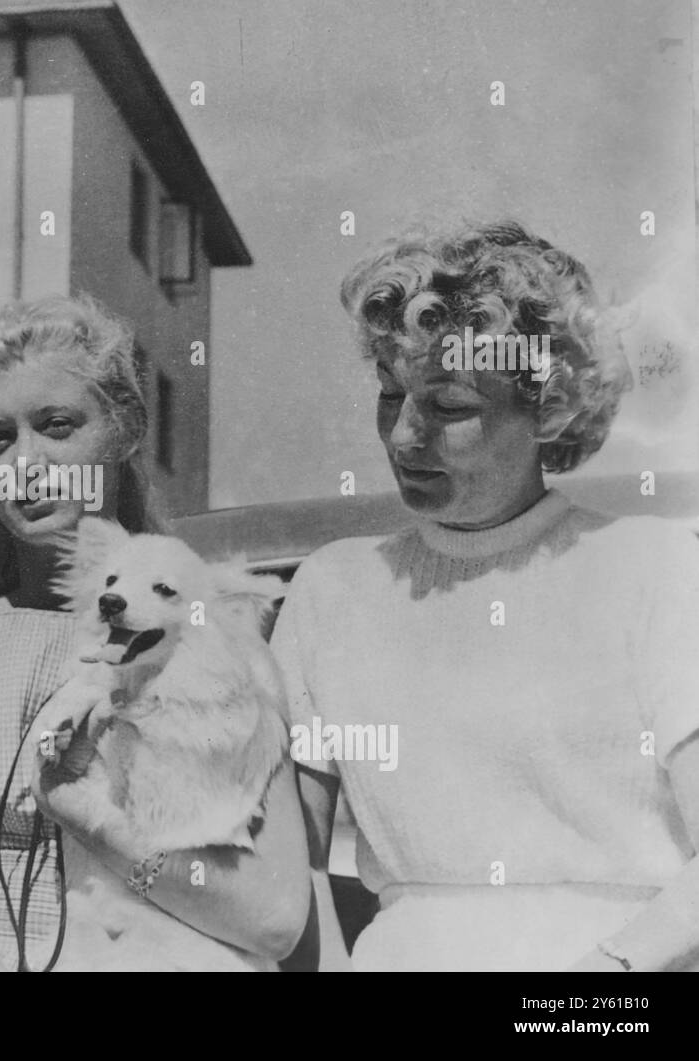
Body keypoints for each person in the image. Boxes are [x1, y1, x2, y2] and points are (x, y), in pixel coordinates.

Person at [273, 220, 699, 971]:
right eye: (390, 395)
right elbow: (290, 877)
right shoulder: (331, 591)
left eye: (448, 406)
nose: (403, 437)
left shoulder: (652, 566)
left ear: (550, 406)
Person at [0, 294, 312, 970]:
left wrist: (99, 826)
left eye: (56, 424)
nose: (27, 461)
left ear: (124, 429)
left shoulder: (213, 632)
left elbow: (276, 916)